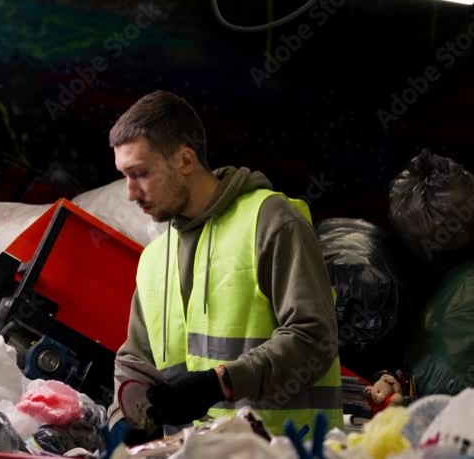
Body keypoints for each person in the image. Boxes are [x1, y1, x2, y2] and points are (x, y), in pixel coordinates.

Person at [105, 90, 342, 439]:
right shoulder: (154, 257)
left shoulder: (271, 220)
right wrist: (121, 421)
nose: (129, 192)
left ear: (185, 160)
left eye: (139, 173)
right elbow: (134, 361)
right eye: (124, 175)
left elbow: (314, 337)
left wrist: (220, 384)